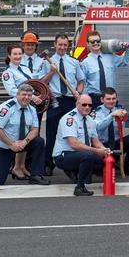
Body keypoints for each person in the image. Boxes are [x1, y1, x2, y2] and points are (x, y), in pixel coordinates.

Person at [41, 34, 86, 172]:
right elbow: (42, 83)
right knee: (51, 132)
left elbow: (81, 80)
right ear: (55, 44)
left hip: (70, 100)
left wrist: (78, 92)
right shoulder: (46, 62)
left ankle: (72, 165)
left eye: (65, 45)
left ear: (68, 45)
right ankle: (49, 164)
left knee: (72, 133)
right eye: (60, 44)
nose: (62, 47)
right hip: (54, 100)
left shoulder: (74, 62)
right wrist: (51, 72)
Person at [0, 44, 44, 180]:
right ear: (9, 56)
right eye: (15, 54)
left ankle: (22, 166)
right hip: (18, 105)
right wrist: (31, 97)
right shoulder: (7, 73)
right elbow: (12, 90)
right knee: (20, 134)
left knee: (27, 134)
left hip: (29, 105)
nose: (18, 56)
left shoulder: (25, 68)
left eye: (20, 54)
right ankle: (16, 167)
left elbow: (33, 83)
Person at [53, 94, 110, 196]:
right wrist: (96, 151)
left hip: (80, 154)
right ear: (77, 104)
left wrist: (105, 150)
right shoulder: (69, 119)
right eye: (84, 104)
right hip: (64, 155)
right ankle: (79, 187)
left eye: (89, 105)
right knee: (89, 156)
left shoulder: (90, 120)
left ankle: (76, 172)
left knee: (101, 159)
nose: (87, 107)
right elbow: (74, 144)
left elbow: (95, 141)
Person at [94, 87, 129, 177]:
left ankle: (127, 167)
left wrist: (127, 117)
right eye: (108, 99)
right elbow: (98, 127)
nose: (111, 101)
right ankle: (107, 165)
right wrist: (111, 115)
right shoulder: (97, 112)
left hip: (116, 143)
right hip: (102, 145)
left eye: (113, 98)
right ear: (102, 99)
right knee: (102, 171)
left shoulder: (119, 109)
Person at [81, 30, 129, 110]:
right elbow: (84, 84)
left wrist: (127, 49)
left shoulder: (111, 57)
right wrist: (86, 101)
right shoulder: (85, 62)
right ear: (88, 44)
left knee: (113, 121)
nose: (95, 43)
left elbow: (126, 61)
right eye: (92, 41)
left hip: (111, 98)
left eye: (98, 41)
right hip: (95, 99)